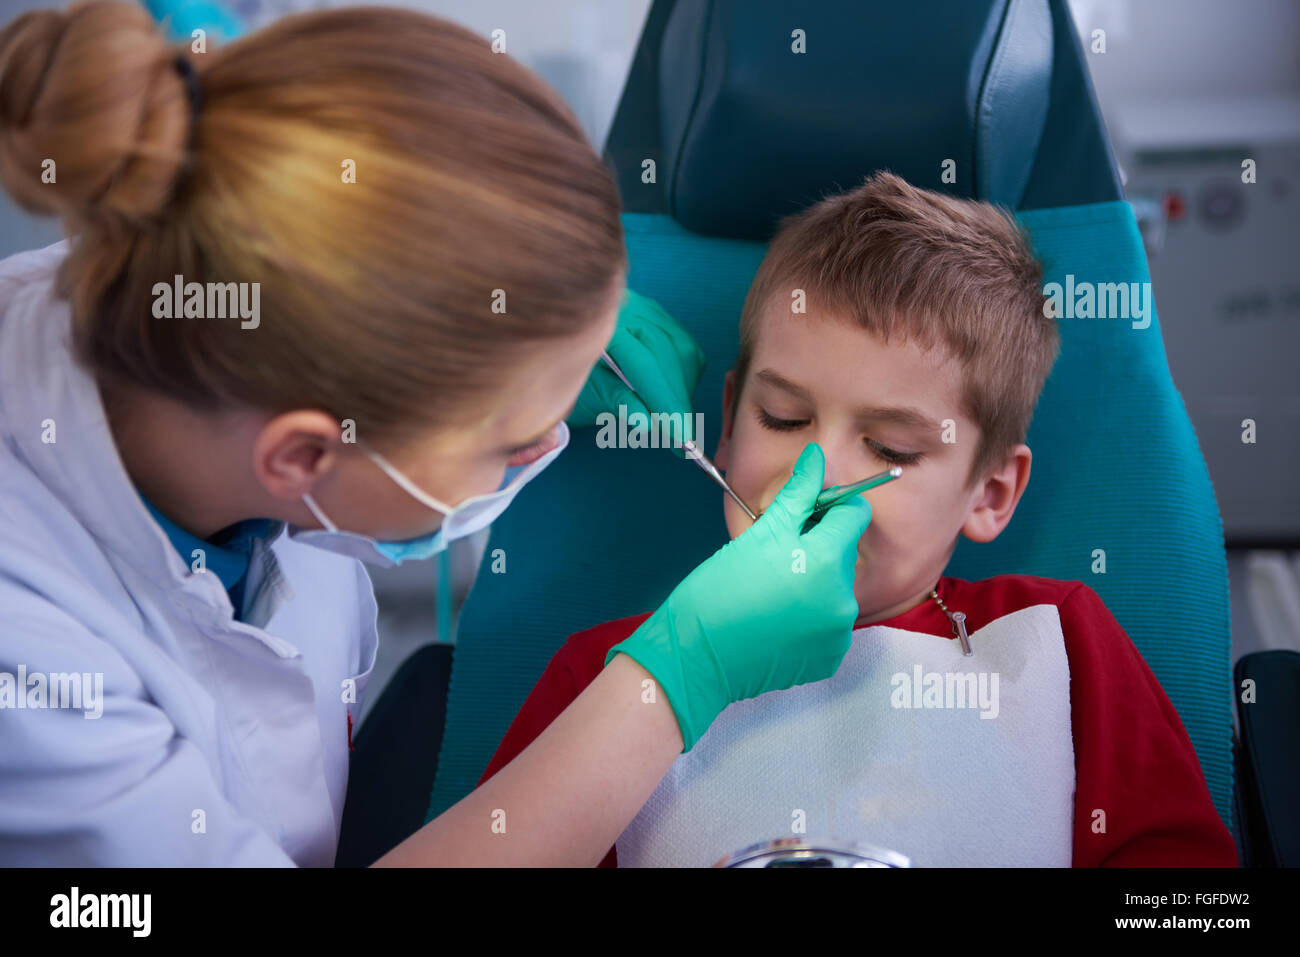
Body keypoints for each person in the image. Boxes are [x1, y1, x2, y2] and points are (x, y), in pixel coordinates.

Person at [0, 2, 871, 866]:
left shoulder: (225, 312)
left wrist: (538, 342)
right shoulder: (31, 667)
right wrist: (680, 679)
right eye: (512, 441)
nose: (540, 452)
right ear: (300, 455)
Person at [476, 172, 1239, 867]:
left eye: (889, 445)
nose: (818, 474)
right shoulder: (611, 672)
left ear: (991, 493)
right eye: (781, 417)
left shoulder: (1060, 642)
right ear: (729, 421)